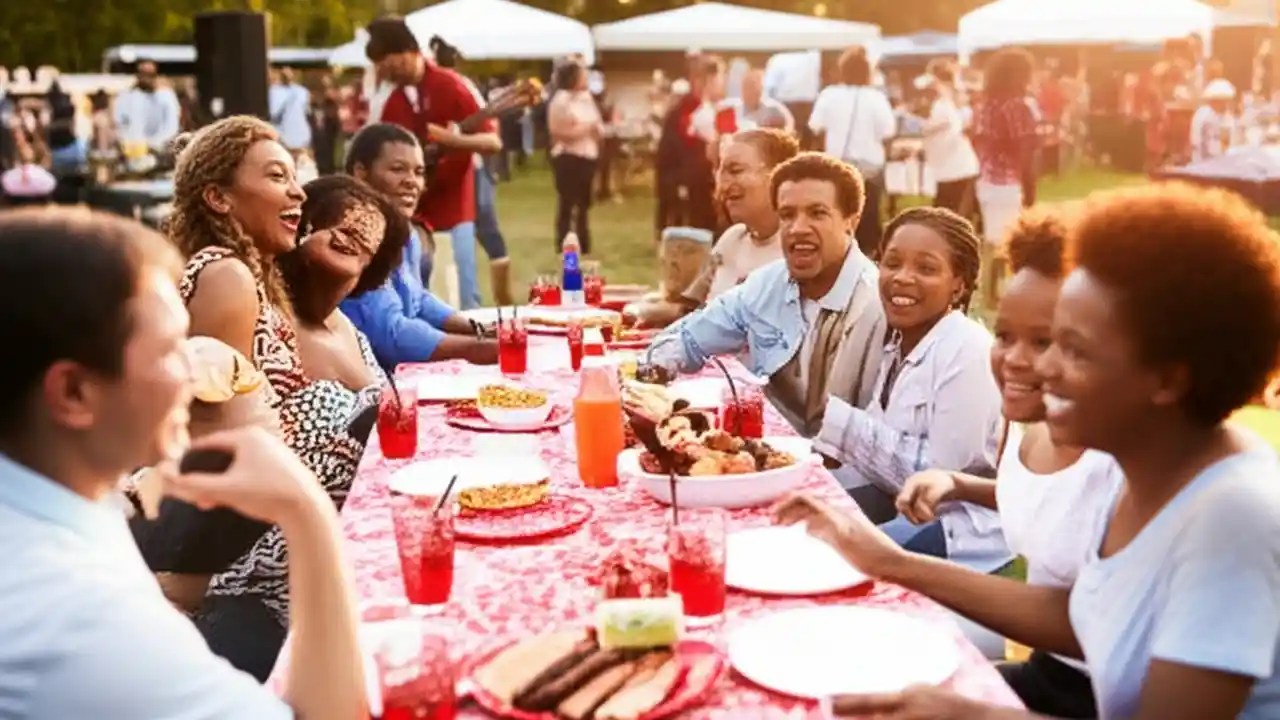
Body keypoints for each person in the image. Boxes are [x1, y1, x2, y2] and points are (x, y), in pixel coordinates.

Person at [776, 182, 1280, 720]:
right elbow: (1082, 618)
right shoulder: (1147, 471)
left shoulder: (1230, 515)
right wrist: (891, 562)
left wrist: (976, 714)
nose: (1041, 368)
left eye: (1073, 350)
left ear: (1168, 379)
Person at [0, 208, 364, 719]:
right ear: (74, 392)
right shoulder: (77, 617)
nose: (194, 373)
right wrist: (308, 514)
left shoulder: (63, 497)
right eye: (173, 350)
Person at [892, 207, 1120, 717]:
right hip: (1049, 669)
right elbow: (1052, 501)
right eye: (1005, 335)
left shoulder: (1125, 466)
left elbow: (1099, 628)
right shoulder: (1028, 417)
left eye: (1046, 342)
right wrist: (957, 483)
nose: (1015, 359)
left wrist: (897, 565)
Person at [195, 176, 399, 679]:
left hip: (361, 532)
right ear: (302, 228)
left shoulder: (345, 327)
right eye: (340, 230)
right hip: (273, 563)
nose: (354, 244)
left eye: (366, 245)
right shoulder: (263, 322)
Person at [813, 207, 1007, 569]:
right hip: (892, 498)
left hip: (954, 524)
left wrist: (842, 426)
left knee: (836, 563)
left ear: (959, 284)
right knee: (801, 520)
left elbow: (939, 480)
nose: (902, 278)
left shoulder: (968, 349)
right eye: (892, 263)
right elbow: (876, 454)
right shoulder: (899, 342)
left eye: (927, 268)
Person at [649, 153, 886, 437]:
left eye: (817, 213)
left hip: (845, 476)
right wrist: (649, 374)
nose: (798, 228)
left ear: (851, 221)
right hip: (767, 457)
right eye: (787, 215)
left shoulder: (877, 305)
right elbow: (688, 338)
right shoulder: (768, 283)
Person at [366, 15, 501, 311]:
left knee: (464, 295)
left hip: (454, 208)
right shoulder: (393, 101)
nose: (387, 74)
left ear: (407, 53)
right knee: (418, 296)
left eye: (389, 65)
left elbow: (492, 142)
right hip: (412, 213)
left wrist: (455, 142)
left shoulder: (452, 85)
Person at [342, 123, 499, 369]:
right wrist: (479, 348)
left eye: (419, 172)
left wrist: (479, 330)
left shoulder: (404, 233)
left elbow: (417, 299)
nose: (412, 182)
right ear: (361, 173)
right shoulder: (349, 237)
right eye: (397, 169)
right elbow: (391, 335)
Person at [686, 128, 800, 305]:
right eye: (719, 172)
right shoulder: (732, 239)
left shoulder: (800, 249)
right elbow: (688, 308)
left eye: (736, 170)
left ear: (778, 176)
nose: (723, 186)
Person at [809, 46, 897, 259]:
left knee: (837, 215)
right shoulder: (877, 98)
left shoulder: (829, 95)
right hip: (870, 168)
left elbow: (815, 128)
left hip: (837, 165)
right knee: (869, 220)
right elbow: (888, 132)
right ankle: (868, 260)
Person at [974, 48, 1039, 310]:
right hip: (1009, 180)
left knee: (992, 240)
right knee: (1011, 240)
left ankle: (990, 294)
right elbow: (1025, 149)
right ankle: (1005, 295)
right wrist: (1029, 184)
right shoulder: (1017, 107)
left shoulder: (984, 105)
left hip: (986, 178)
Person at [548, 59, 604, 255]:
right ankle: (563, 241)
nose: (586, 78)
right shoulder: (560, 101)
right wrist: (584, 129)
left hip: (588, 155)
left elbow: (597, 122)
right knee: (568, 201)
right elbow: (557, 131)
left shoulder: (586, 98)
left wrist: (596, 132)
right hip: (568, 157)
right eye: (582, 74)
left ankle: (584, 241)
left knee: (584, 202)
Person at [918, 61, 979, 216]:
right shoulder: (951, 101)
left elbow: (930, 127)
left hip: (956, 167)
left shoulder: (946, 104)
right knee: (947, 210)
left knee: (948, 212)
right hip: (951, 167)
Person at [114, 60, 181, 159]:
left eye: (151, 75)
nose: (147, 78)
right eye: (143, 74)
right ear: (138, 75)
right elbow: (120, 123)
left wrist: (153, 144)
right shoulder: (126, 97)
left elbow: (171, 127)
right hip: (131, 151)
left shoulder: (167, 96)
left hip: (159, 153)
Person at [268, 67, 313, 159]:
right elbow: (307, 111)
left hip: (285, 136)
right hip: (297, 136)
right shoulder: (301, 91)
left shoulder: (273, 92)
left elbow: (273, 114)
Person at [1190, 78, 1237, 162]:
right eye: (1226, 101)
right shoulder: (1206, 117)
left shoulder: (1209, 113)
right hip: (1205, 163)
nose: (1227, 105)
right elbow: (1211, 149)